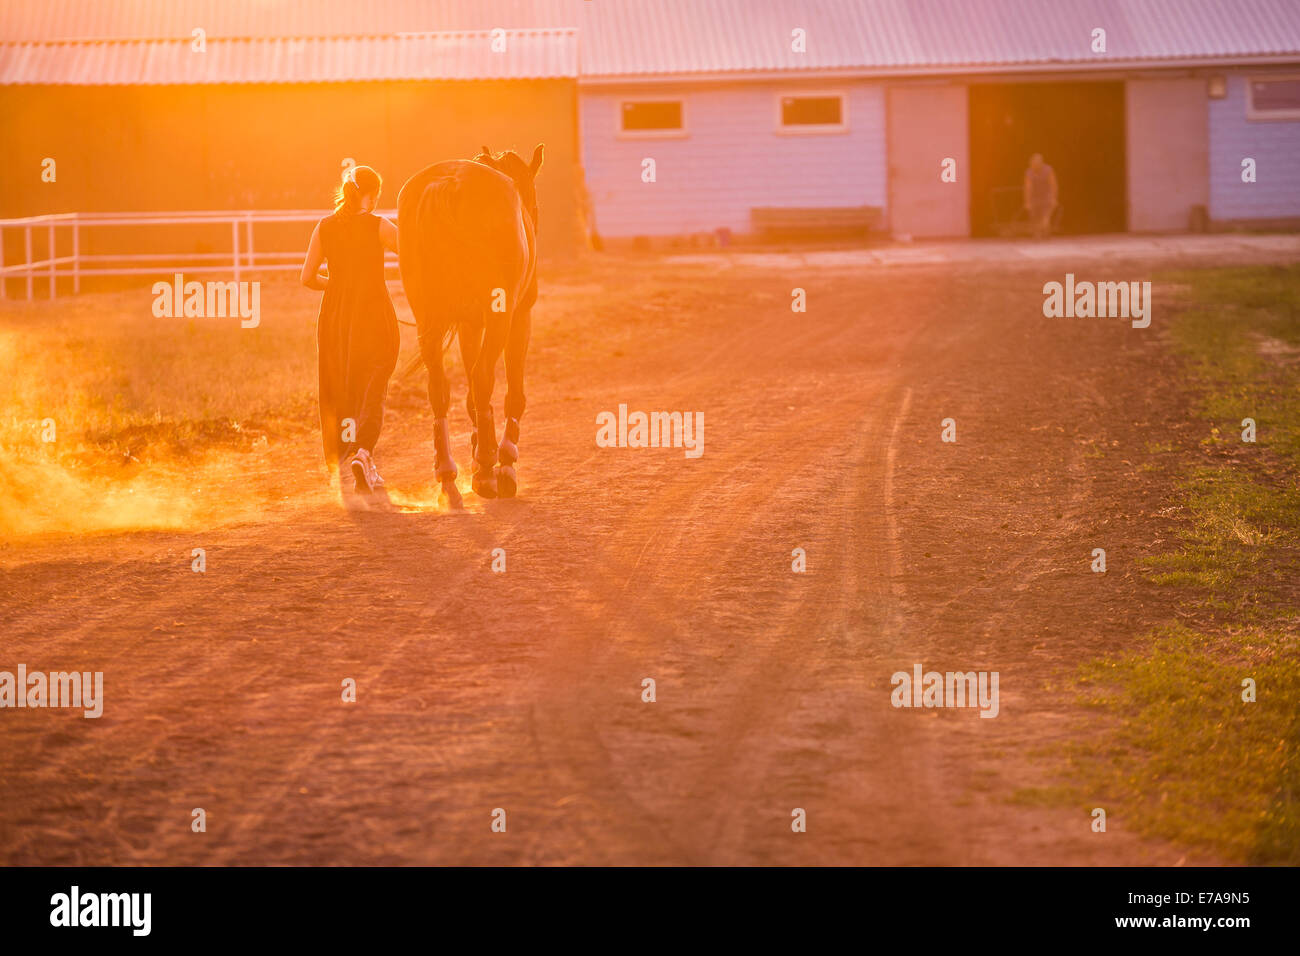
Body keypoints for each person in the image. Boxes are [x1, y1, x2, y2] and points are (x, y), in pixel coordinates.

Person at [300, 165, 400, 494]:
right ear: (371, 195)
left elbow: (308, 277)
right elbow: (414, 253)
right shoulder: (380, 226)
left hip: (335, 318)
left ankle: (343, 458)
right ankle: (363, 452)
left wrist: (339, 285)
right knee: (374, 381)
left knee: (341, 384)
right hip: (372, 313)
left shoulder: (325, 227)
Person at [1023, 153, 1058, 239]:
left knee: (1045, 217)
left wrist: (1054, 198)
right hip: (1035, 197)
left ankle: (1045, 233)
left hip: (1047, 196)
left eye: (1037, 164)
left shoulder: (1048, 170)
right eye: (1033, 164)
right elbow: (1028, 188)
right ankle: (1037, 234)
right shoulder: (1029, 172)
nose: (1035, 166)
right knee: (1034, 216)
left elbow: (1053, 184)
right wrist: (1027, 201)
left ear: (1041, 163)